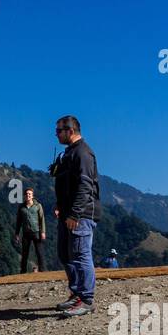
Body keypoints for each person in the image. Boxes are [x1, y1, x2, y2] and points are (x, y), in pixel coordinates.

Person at [52, 116, 99, 317]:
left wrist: (75, 213)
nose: (56, 134)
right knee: (65, 254)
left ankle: (86, 299)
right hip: (67, 212)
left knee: (80, 255)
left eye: (59, 130)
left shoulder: (83, 152)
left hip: (80, 214)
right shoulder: (69, 153)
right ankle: (76, 293)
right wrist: (60, 206)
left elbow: (85, 185)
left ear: (70, 131)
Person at [14, 188, 48, 273]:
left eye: (30, 194)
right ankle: (23, 271)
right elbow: (19, 221)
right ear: (24, 196)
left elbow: (42, 219)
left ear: (32, 196)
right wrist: (17, 233)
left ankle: (42, 270)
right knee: (24, 253)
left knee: (39, 252)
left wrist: (43, 232)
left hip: (36, 232)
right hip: (26, 233)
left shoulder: (38, 206)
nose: (28, 195)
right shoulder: (21, 207)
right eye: (26, 194)